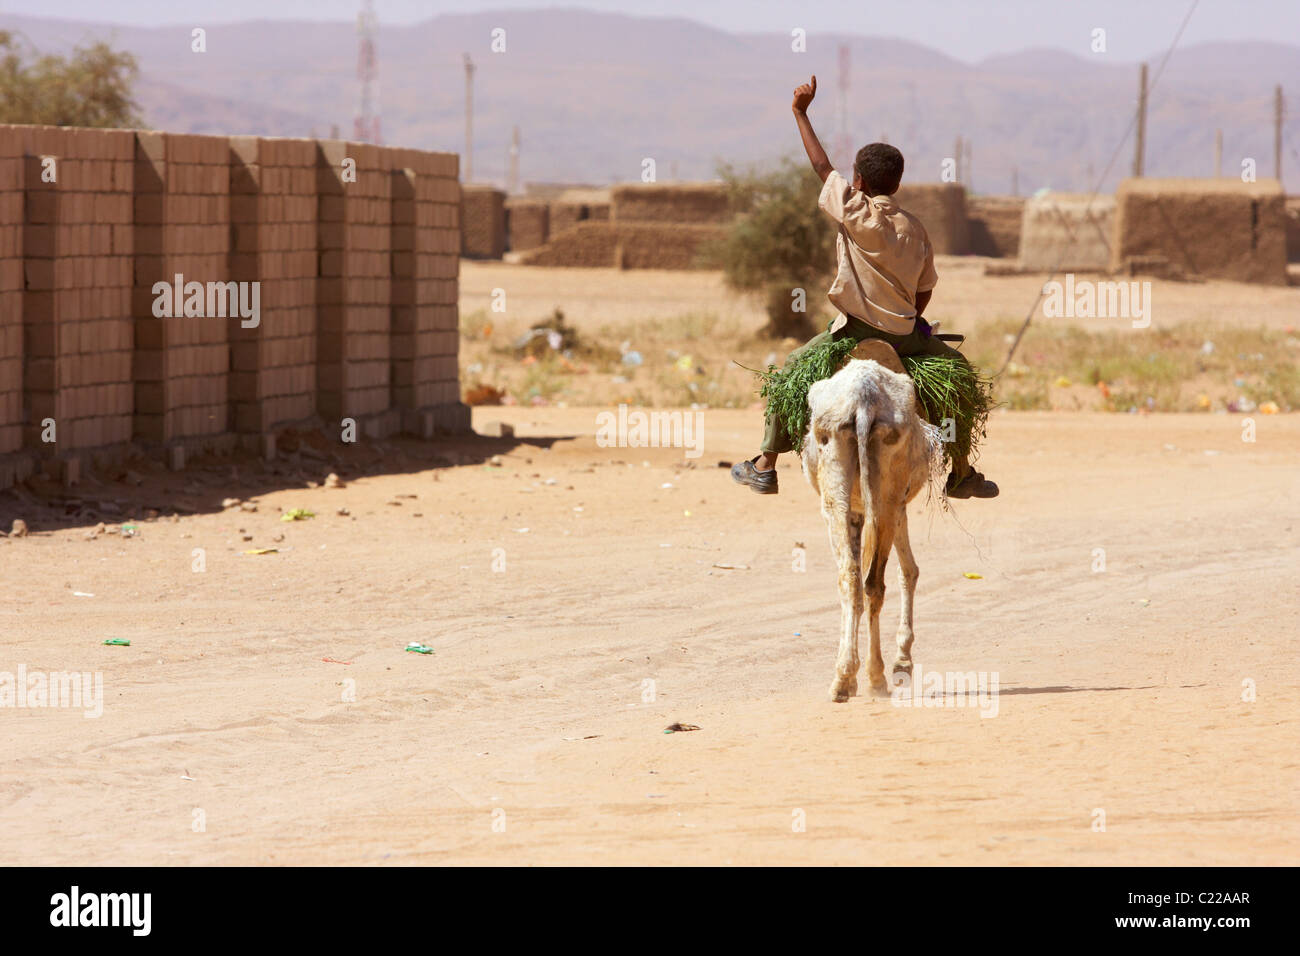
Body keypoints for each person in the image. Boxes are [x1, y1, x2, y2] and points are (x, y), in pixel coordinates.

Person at [731, 74, 998, 499]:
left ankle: (765, 464)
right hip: (907, 338)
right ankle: (962, 471)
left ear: (858, 181)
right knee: (960, 378)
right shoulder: (916, 229)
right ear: (897, 183)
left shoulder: (856, 211)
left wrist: (800, 113)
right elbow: (926, 287)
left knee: (792, 371)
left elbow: (821, 168)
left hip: (854, 334)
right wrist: (912, 317)